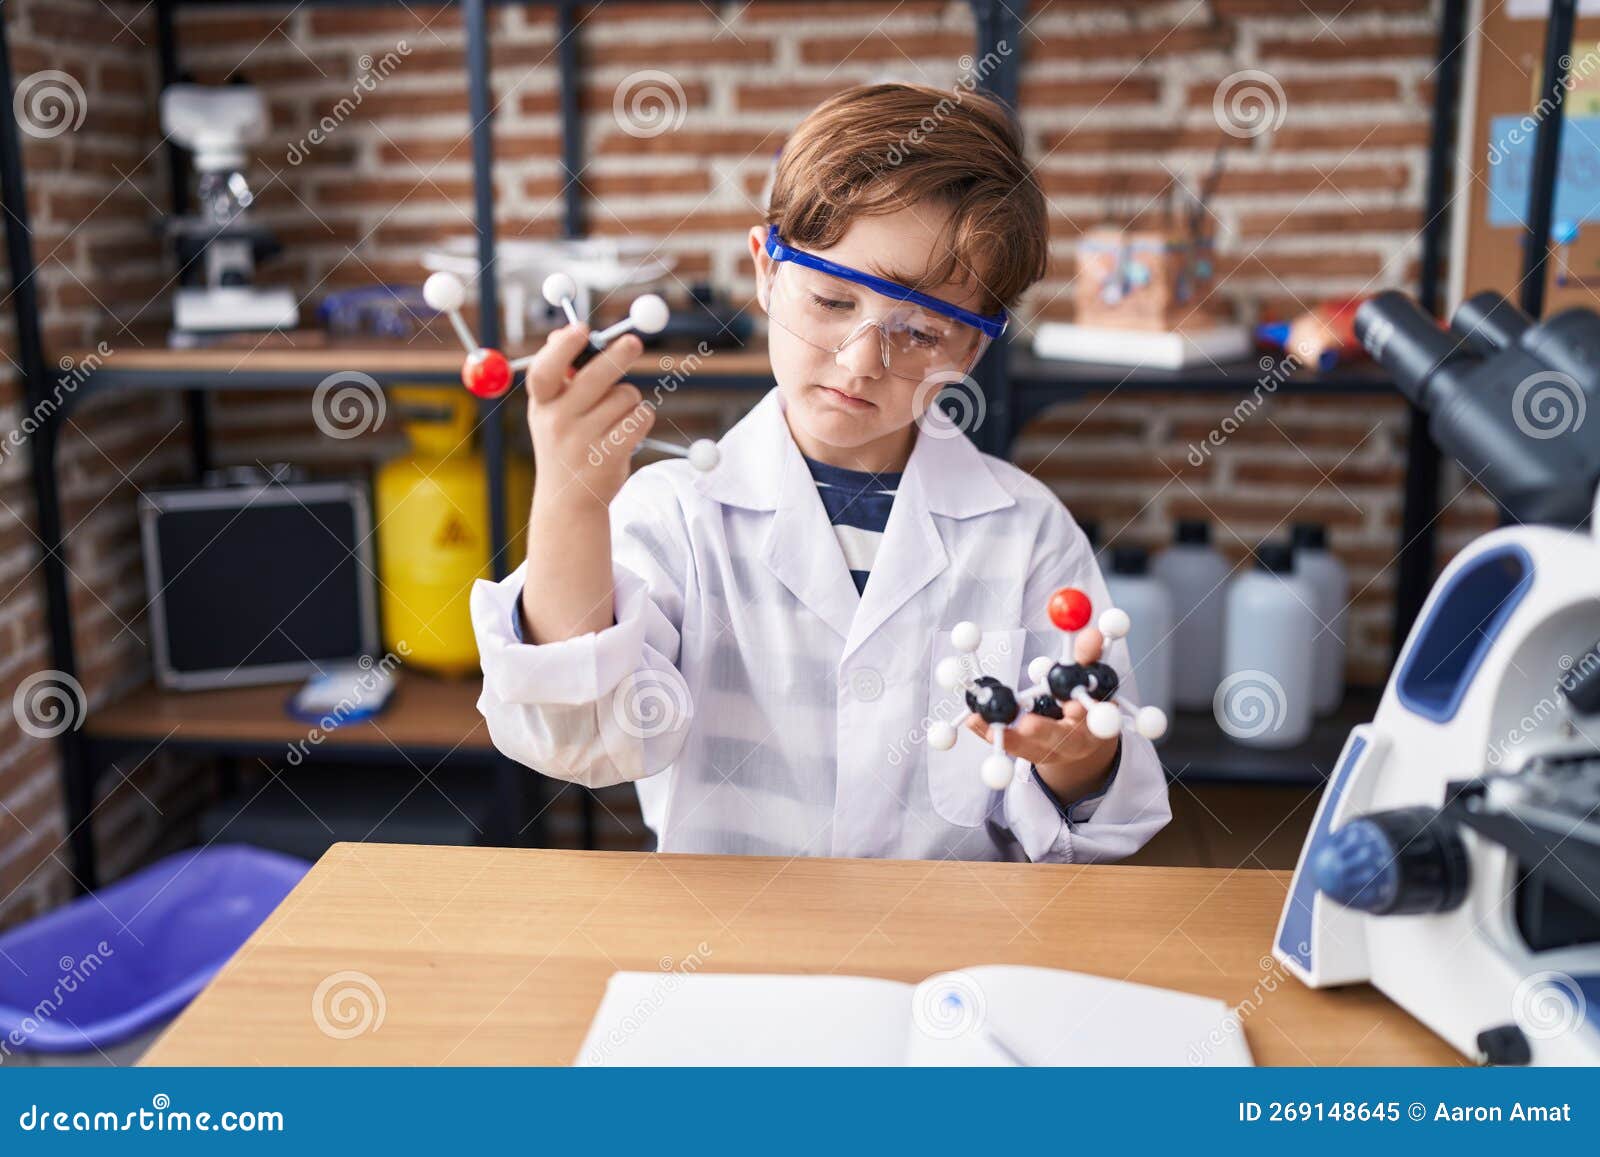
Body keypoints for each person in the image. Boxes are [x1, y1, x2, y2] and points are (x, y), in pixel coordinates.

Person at [470, 82, 1170, 862]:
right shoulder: (675, 514)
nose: (862, 360)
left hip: (950, 964)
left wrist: (1078, 759)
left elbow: (1110, 813)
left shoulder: (1028, 530)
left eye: (919, 330)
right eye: (834, 300)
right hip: (730, 956)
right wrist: (570, 498)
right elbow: (577, 740)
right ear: (766, 270)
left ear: (972, 350)